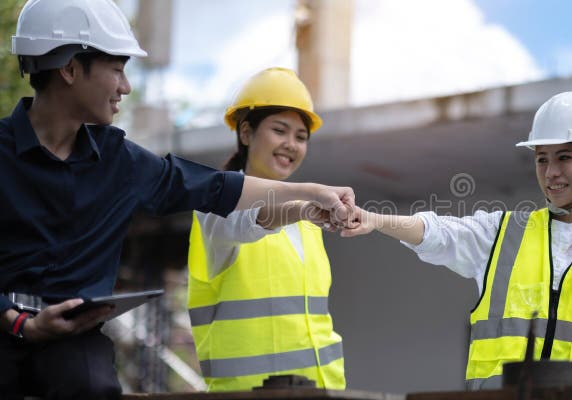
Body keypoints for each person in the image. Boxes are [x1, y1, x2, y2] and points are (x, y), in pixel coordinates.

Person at [0, 1, 353, 399]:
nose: (125, 87)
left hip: (73, 348)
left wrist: (310, 193)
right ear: (69, 69)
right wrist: (18, 322)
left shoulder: (121, 161)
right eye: (117, 69)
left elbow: (217, 189)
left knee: (92, 386)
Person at [342, 91, 572, 389]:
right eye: (542, 159)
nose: (550, 173)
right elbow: (439, 233)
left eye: (564, 157)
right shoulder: (502, 233)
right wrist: (376, 220)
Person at [186, 67, 346, 391]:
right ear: (246, 133)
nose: (291, 144)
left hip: (322, 391)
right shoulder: (214, 208)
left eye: (301, 137)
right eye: (280, 130)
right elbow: (250, 219)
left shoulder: (308, 225)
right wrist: (307, 200)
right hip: (245, 394)